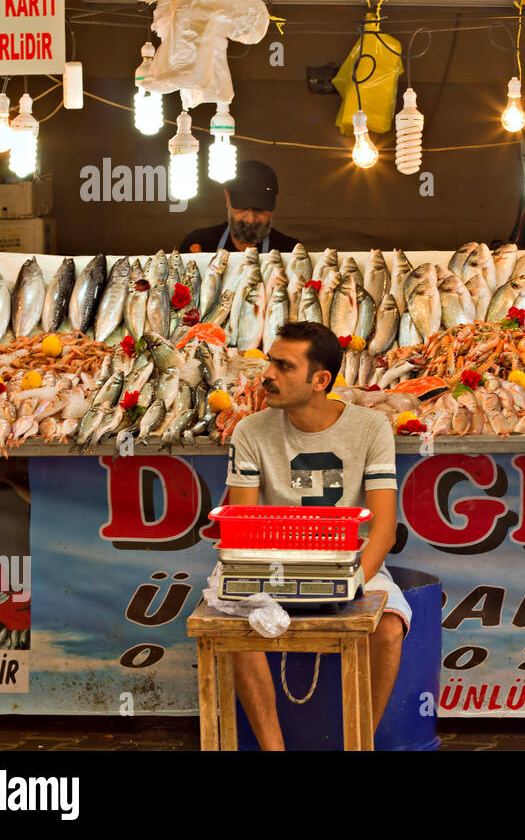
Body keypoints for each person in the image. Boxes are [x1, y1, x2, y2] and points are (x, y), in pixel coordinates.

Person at [224, 321, 408, 750]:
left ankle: (359, 743)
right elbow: (242, 524)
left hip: (349, 561)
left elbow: (382, 527)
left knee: (389, 628)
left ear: (320, 380)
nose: (267, 374)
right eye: (270, 361)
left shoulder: (371, 427)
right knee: (237, 624)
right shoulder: (250, 431)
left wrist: (351, 582)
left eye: (284, 366)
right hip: (270, 562)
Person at [180, 159, 302, 254]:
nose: (251, 219)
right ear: (227, 198)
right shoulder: (200, 242)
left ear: (274, 201)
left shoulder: (291, 251)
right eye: (243, 208)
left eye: (259, 210)